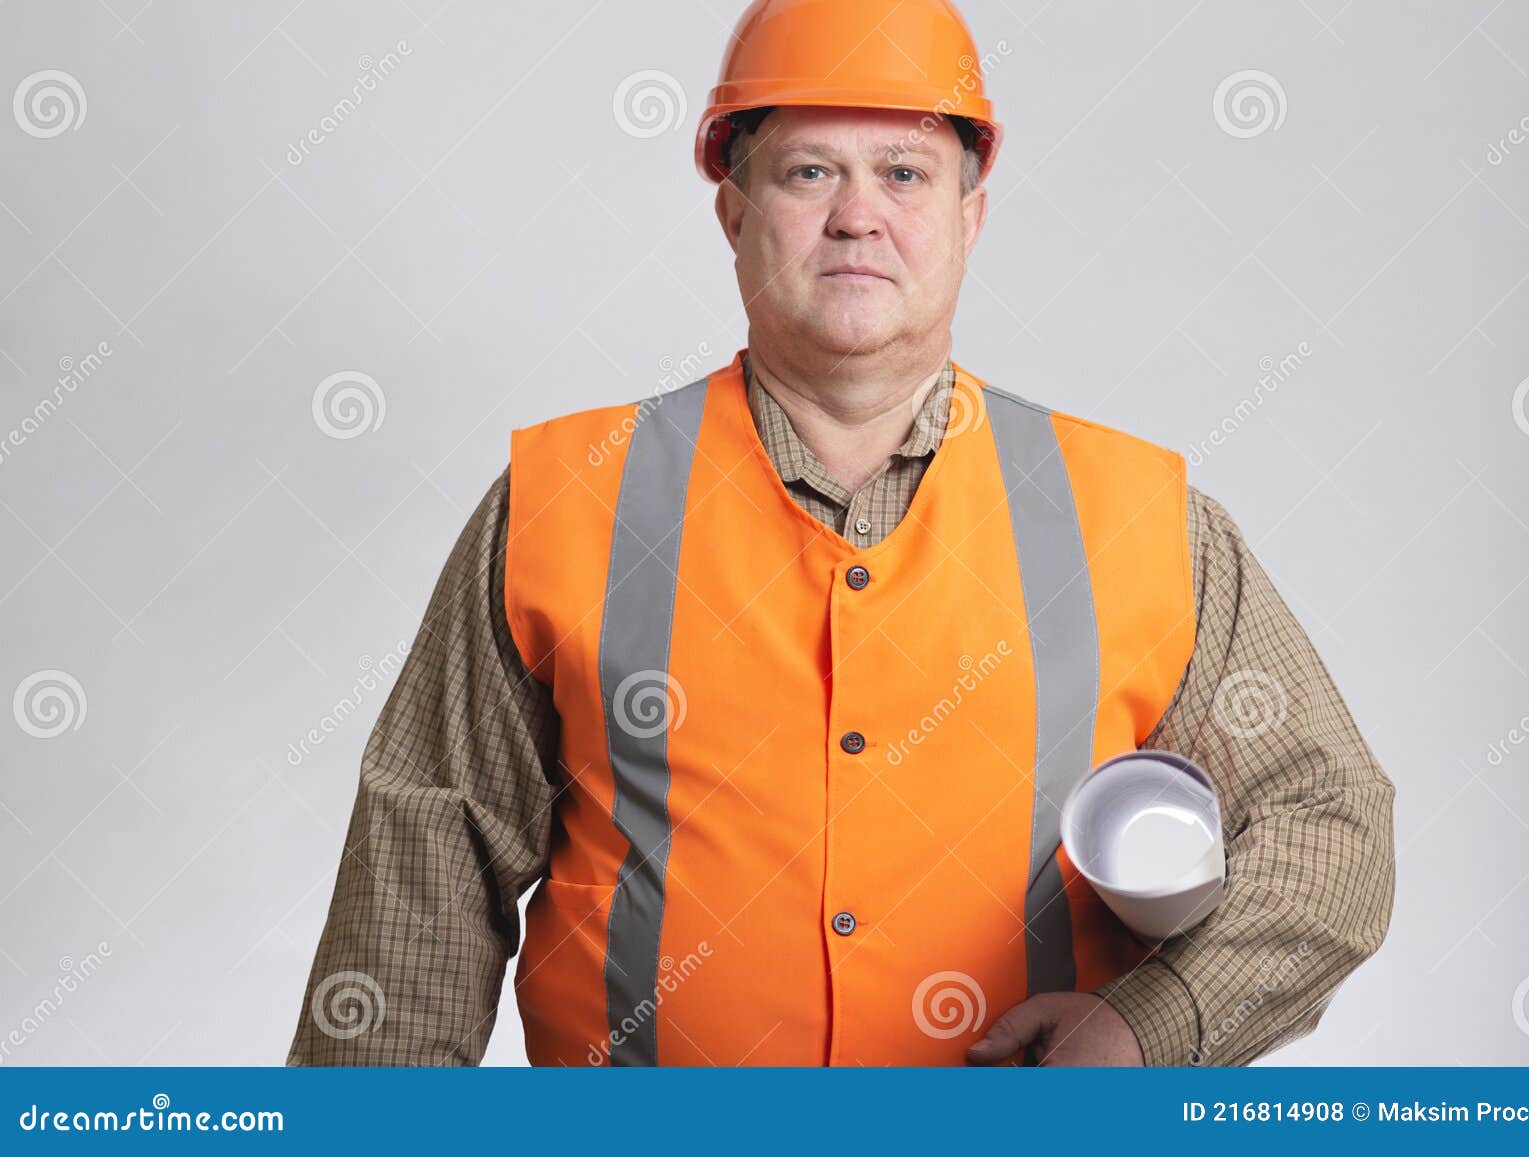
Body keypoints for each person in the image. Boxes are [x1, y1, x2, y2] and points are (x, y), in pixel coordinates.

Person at [288, 0, 1394, 1067]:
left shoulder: (1144, 521)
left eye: (904, 174)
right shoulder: (563, 502)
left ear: (969, 215)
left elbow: (1328, 823)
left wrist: (1147, 1025)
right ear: (733, 211)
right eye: (810, 171)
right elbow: (415, 897)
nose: (858, 214)